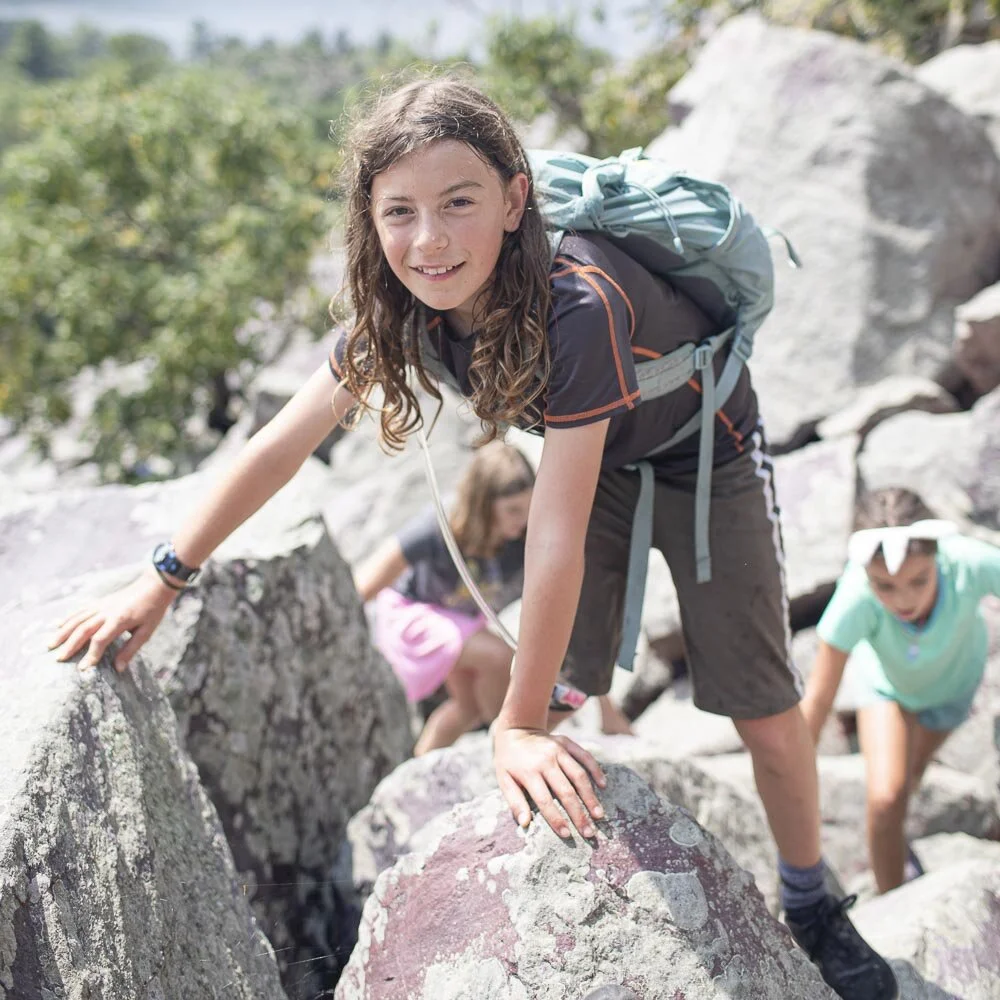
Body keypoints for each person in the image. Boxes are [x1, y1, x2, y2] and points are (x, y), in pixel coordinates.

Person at [47, 76, 894, 1000]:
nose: (430, 241)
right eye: (398, 212)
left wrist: (518, 723)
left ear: (514, 200)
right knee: (564, 679)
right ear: (369, 223)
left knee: (762, 707)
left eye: (459, 204)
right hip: (599, 458)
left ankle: (811, 902)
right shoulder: (399, 303)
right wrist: (164, 577)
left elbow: (555, 538)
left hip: (710, 453)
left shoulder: (578, 301)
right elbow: (281, 445)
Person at [801, 487, 1000, 895]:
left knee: (910, 776)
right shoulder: (855, 598)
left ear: (937, 558)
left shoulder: (967, 562)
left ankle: (896, 841)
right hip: (886, 689)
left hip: (952, 691)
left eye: (918, 580)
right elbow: (818, 699)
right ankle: (894, 904)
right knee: (887, 798)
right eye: (885, 586)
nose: (903, 599)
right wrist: (789, 775)